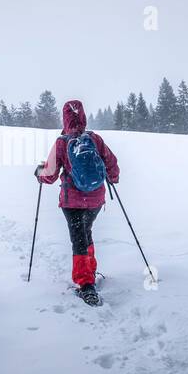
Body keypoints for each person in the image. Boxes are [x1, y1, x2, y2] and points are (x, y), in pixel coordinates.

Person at [34, 99, 119, 304]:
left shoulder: (62, 142)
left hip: (72, 201)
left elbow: (50, 174)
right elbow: (112, 164)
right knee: (85, 232)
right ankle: (89, 271)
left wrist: (39, 173)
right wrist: (112, 178)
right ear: (83, 117)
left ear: (65, 119)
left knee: (79, 238)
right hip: (95, 200)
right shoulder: (95, 139)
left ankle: (86, 285)